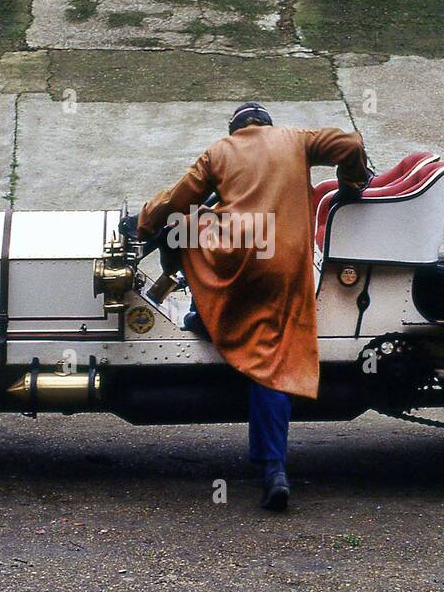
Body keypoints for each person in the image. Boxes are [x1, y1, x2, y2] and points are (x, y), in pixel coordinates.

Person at [136, 103, 370, 511]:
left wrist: (144, 220)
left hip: (235, 263)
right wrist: (351, 183)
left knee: (183, 226)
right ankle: (274, 470)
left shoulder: (219, 151)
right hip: (281, 269)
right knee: (273, 361)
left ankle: (203, 311)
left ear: (235, 128)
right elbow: (350, 142)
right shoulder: (296, 140)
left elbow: (177, 202)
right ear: (266, 124)